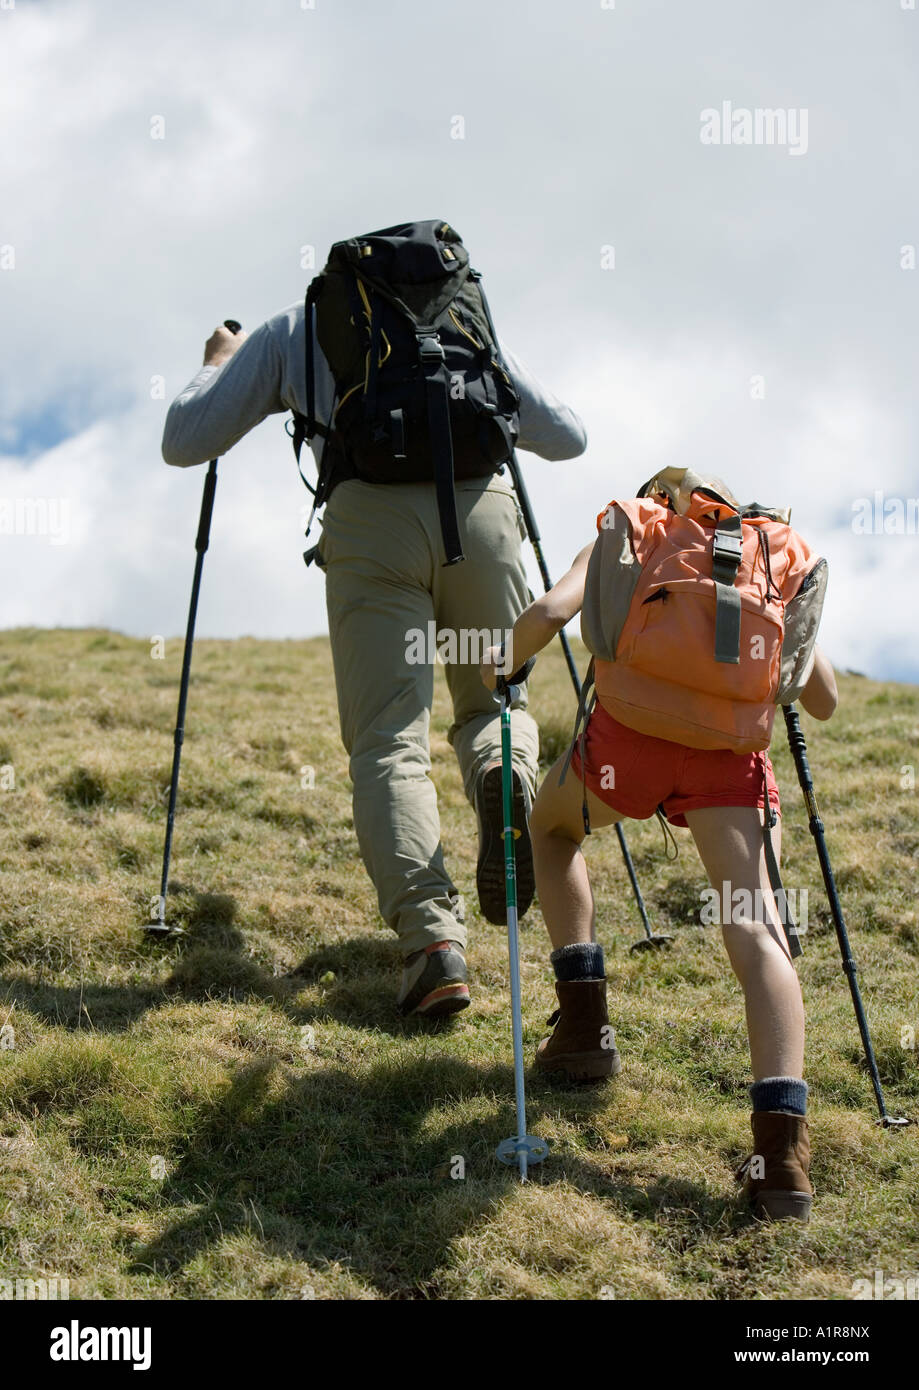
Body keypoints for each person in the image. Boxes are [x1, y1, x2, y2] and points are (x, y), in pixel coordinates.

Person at [162, 288, 586, 1018]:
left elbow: (184, 440)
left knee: (389, 737)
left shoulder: (295, 329)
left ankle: (434, 947)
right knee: (490, 702)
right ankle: (498, 771)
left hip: (372, 525)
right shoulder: (460, 322)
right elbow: (567, 436)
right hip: (482, 519)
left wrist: (218, 367)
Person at [481, 493, 837, 1223]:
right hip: (728, 765)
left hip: (624, 746)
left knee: (549, 831)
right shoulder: (770, 558)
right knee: (756, 930)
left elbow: (550, 614)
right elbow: (820, 697)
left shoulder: (638, 529)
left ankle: (583, 1028)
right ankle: (782, 1163)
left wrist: (502, 664)